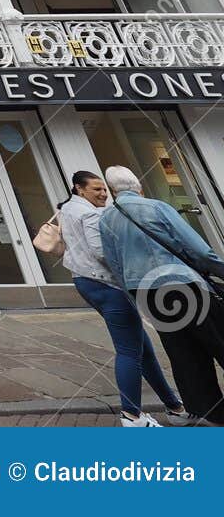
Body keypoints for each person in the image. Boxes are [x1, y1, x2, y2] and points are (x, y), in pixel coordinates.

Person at [57, 169, 187, 427]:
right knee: (129, 351)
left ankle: (174, 407)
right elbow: (101, 251)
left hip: (86, 281)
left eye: (104, 188)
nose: (103, 193)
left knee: (142, 348)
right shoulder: (91, 214)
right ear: (79, 189)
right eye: (96, 189)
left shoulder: (68, 209)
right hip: (107, 284)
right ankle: (132, 416)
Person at [99, 165, 224, 426]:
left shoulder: (106, 218)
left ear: (112, 191)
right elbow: (198, 250)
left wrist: (135, 298)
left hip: (147, 293)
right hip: (181, 284)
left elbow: (115, 264)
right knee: (218, 337)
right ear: (139, 187)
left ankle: (211, 412)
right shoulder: (156, 207)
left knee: (184, 352)